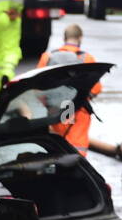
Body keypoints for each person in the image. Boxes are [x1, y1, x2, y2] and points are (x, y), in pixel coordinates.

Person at [35, 24, 101, 157]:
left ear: (64, 38)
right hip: (76, 109)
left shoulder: (47, 57)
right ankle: (75, 171)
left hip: (53, 109)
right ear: (80, 38)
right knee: (76, 148)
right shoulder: (87, 58)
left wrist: (48, 105)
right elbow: (96, 88)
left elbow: (37, 86)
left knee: (56, 145)